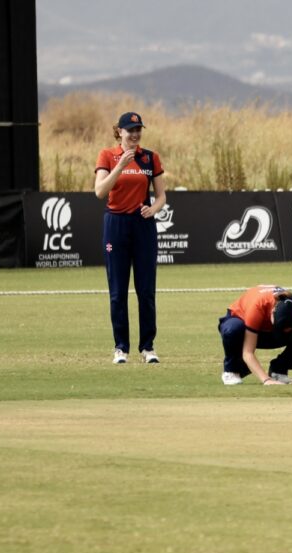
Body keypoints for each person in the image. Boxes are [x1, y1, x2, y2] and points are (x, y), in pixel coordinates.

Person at [94, 112, 166, 365]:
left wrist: (153, 209)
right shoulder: (107, 155)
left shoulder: (150, 157)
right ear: (120, 132)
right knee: (117, 292)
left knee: (146, 291)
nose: (135, 134)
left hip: (143, 225)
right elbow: (100, 191)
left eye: (138, 130)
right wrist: (120, 166)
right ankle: (120, 348)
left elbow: (161, 196)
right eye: (130, 130)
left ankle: (148, 347)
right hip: (116, 224)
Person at [217, 285, 292, 386]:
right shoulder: (257, 306)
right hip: (241, 326)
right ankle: (231, 371)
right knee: (233, 330)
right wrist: (266, 380)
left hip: (266, 330)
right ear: (272, 312)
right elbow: (248, 352)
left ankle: (278, 370)